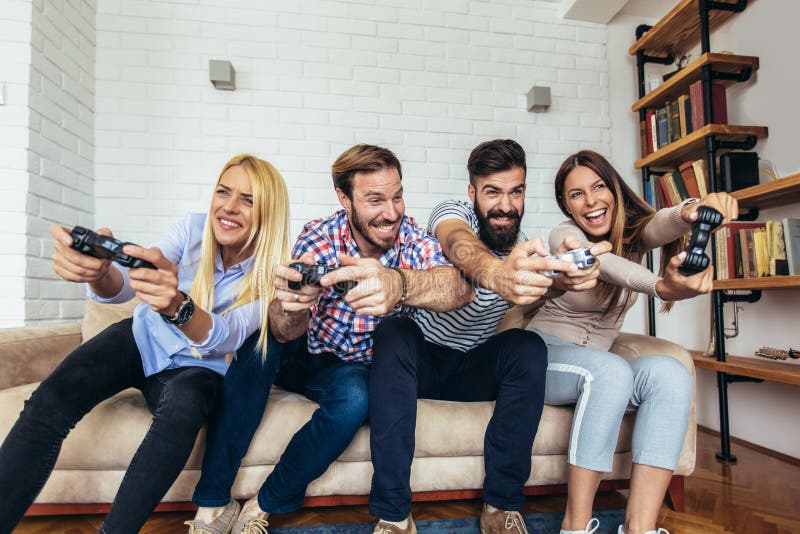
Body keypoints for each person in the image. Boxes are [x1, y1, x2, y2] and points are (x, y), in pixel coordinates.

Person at [187, 144, 473, 534]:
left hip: (354, 369)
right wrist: (292, 306)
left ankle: (263, 502)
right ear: (344, 198)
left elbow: (458, 288)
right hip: (306, 351)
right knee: (260, 343)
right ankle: (212, 502)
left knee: (355, 398)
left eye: (397, 196)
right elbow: (285, 329)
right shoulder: (320, 236)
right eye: (375, 200)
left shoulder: (413, 240)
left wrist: (399, 283)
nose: (391, 213)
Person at [0, 154, 291, 534]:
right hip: (140, 340)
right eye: (224, 192)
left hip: (199, 367)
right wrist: (102, 273)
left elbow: (225, 336)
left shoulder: (274, 271)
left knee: (184, 408)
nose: (229, 207)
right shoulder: (191, 231)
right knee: (48, 402)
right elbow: (123, 284)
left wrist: (176, 304)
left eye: (248, 200)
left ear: (269, 212)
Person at [367, 139, 612, 534]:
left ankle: (501, 507)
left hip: (474, 366)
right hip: (422, 361)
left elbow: (547, 288)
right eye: (492, 192)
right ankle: (393, 514)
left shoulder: (526, 249)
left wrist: (567, 280)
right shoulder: (451, 214)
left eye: (515, 192)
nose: (505, 205)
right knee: (394, 331)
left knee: (527, 346)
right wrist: (498, 274)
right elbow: (458, 244)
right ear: (472, 193)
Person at [526, 150, 738, 534]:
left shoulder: (631, 235)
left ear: (615, 190)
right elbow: (602, 264)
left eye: (598, 187)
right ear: (566, 205)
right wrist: (660, 286)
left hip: (599, 365)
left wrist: (694, 210)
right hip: (544, 355)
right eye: (576, 195)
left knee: (670, 374)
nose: (590, 201)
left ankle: (639, 527)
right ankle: (574, 526)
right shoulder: (564, 236)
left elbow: (662, 223)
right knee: (608, 371)